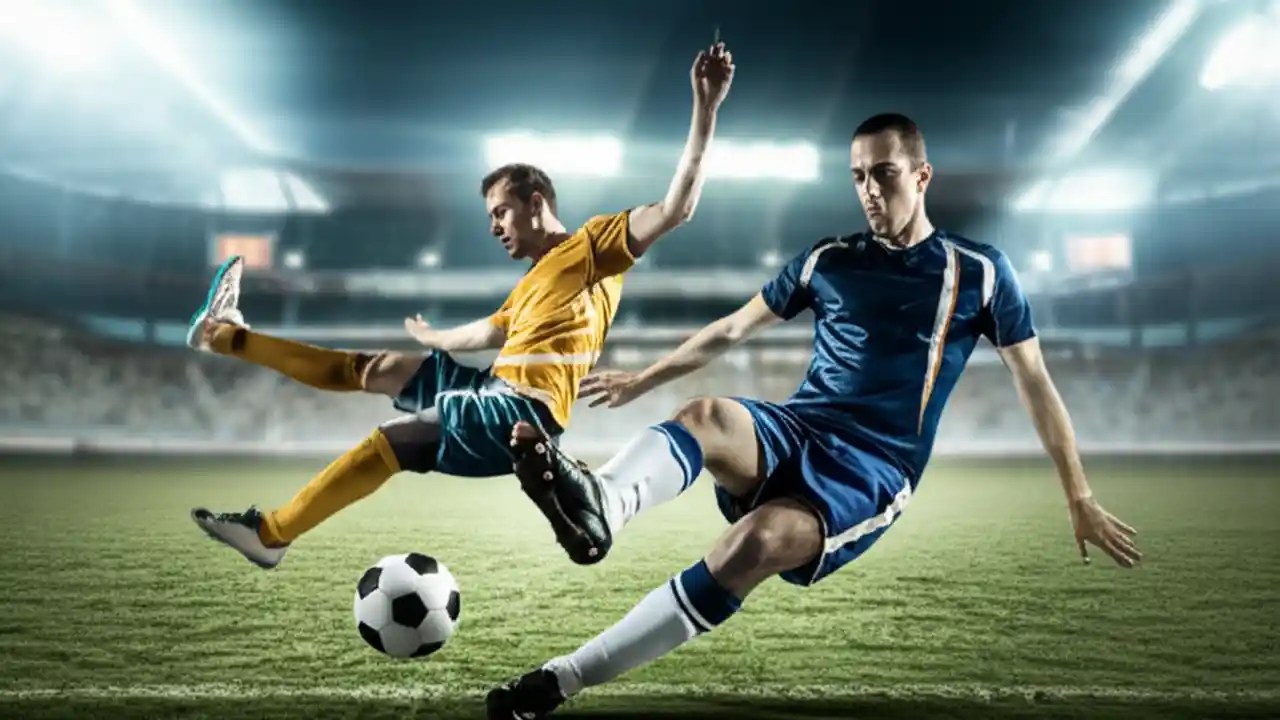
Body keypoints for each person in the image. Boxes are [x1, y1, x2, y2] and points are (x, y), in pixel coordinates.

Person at [487, 112, 1141, 719]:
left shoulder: (980, 272)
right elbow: (731, 329)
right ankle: (598, 501)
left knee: (756, 545)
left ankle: (559, 680)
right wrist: (643, 378)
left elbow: (1034, 379)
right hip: (798, 425)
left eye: (883, 174)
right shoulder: (829, 259)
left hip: (874, 466)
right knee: (705, 413)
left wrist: (1077, 493)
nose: (869, 190)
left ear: (921, 175)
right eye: (857, 176)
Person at [186, 42, 736, 570]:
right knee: (371, 368)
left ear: (536, 202)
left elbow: (676, 207)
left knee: (391, 443)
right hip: (492, 388)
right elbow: (488, 333)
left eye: (501, 212)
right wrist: (435, 340)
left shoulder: (591, 248)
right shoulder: (532, 284)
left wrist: (705, 106)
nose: (494, 226)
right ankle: (225, 335)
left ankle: (271, 534)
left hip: (523, 412)